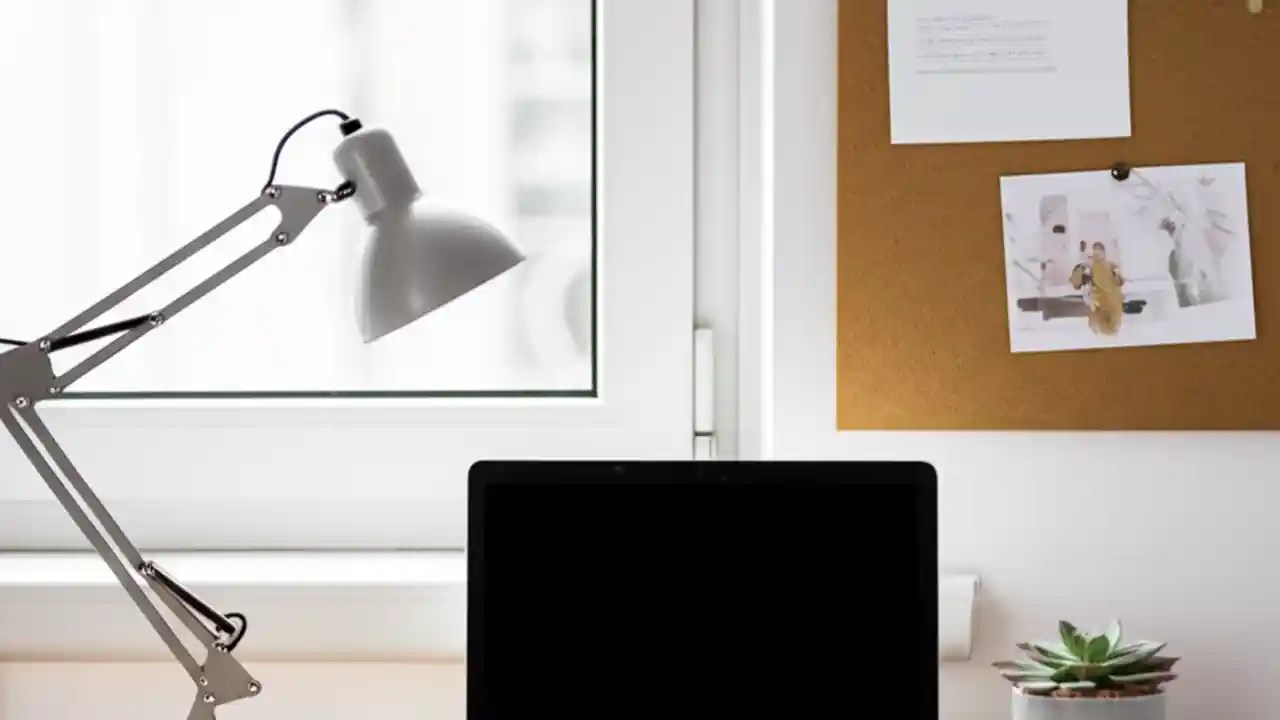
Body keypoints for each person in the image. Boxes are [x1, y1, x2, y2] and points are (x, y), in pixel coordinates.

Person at [1070, 242, 1125, 336]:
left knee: (1110, 318)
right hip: (1099, 299)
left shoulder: (1111, 265)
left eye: (1099, 250)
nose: (1097, 252)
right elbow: (1076, 282)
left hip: (1110, 298)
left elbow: (1120, 280)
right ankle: (1105, 330)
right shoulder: (1088, 265)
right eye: (1095, 250)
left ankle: (1109, 330)